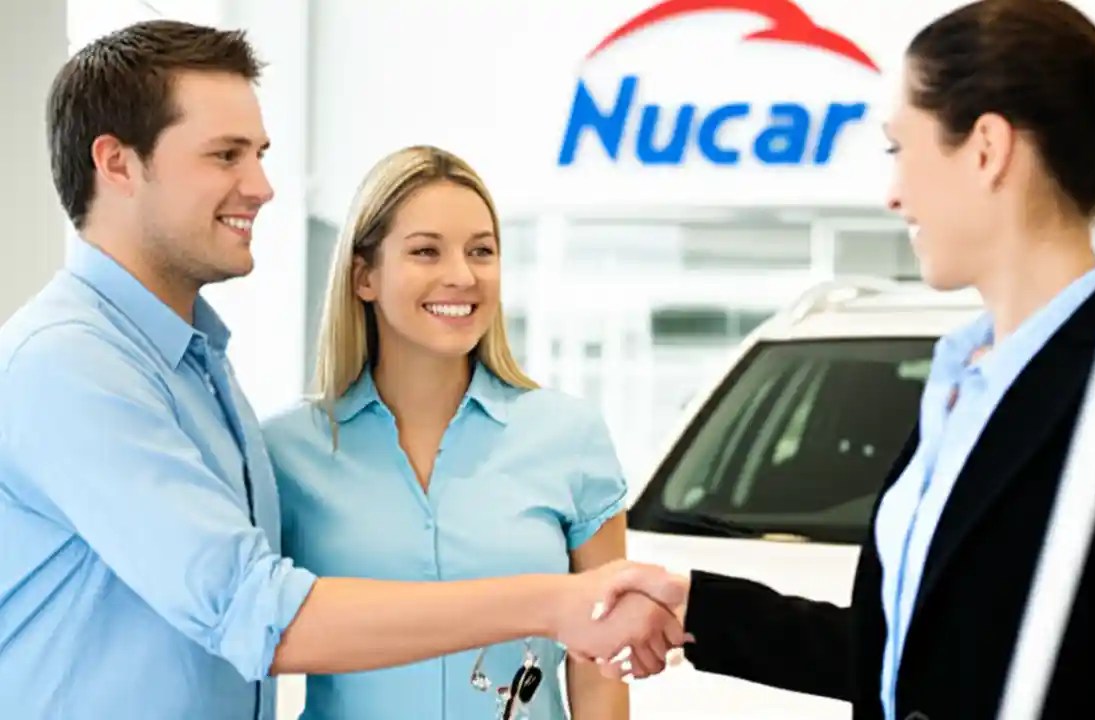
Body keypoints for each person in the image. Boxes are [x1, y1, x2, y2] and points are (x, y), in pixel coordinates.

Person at [0, 20, 680, 720]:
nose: (261, 187)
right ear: (116, 163)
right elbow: (253, 607)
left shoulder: (198, 371)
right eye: (226, 154)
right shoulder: (67, 366)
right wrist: (552, 601)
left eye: (259, 154)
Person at [592, 1, 1095, 718]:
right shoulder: (964, 380)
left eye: (898, 148)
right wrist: (703, 606)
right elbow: (916, 656)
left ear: (986, 148)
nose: (893, 193)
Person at [260, 144, 632, 719]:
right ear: (364, 276)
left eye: (481, 251)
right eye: (426, 252)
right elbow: (249, 633)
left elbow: (601, 662)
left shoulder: (570, 437)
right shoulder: (285, 453)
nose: (461, 276)